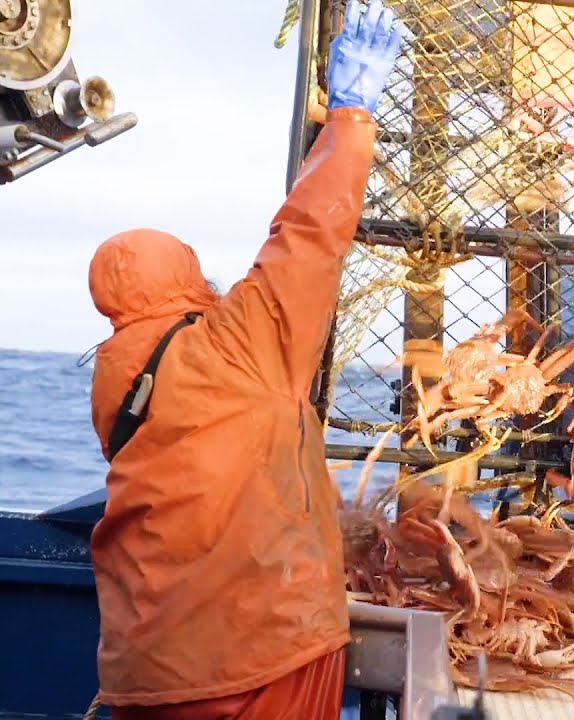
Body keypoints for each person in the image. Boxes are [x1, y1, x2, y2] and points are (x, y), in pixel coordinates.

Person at [84, 2, 404, 717]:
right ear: (190, 280)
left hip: (148, 672)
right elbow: (308, 238)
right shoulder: (236, 344)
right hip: (257, 657)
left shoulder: (118, 386)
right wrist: (350, 119)